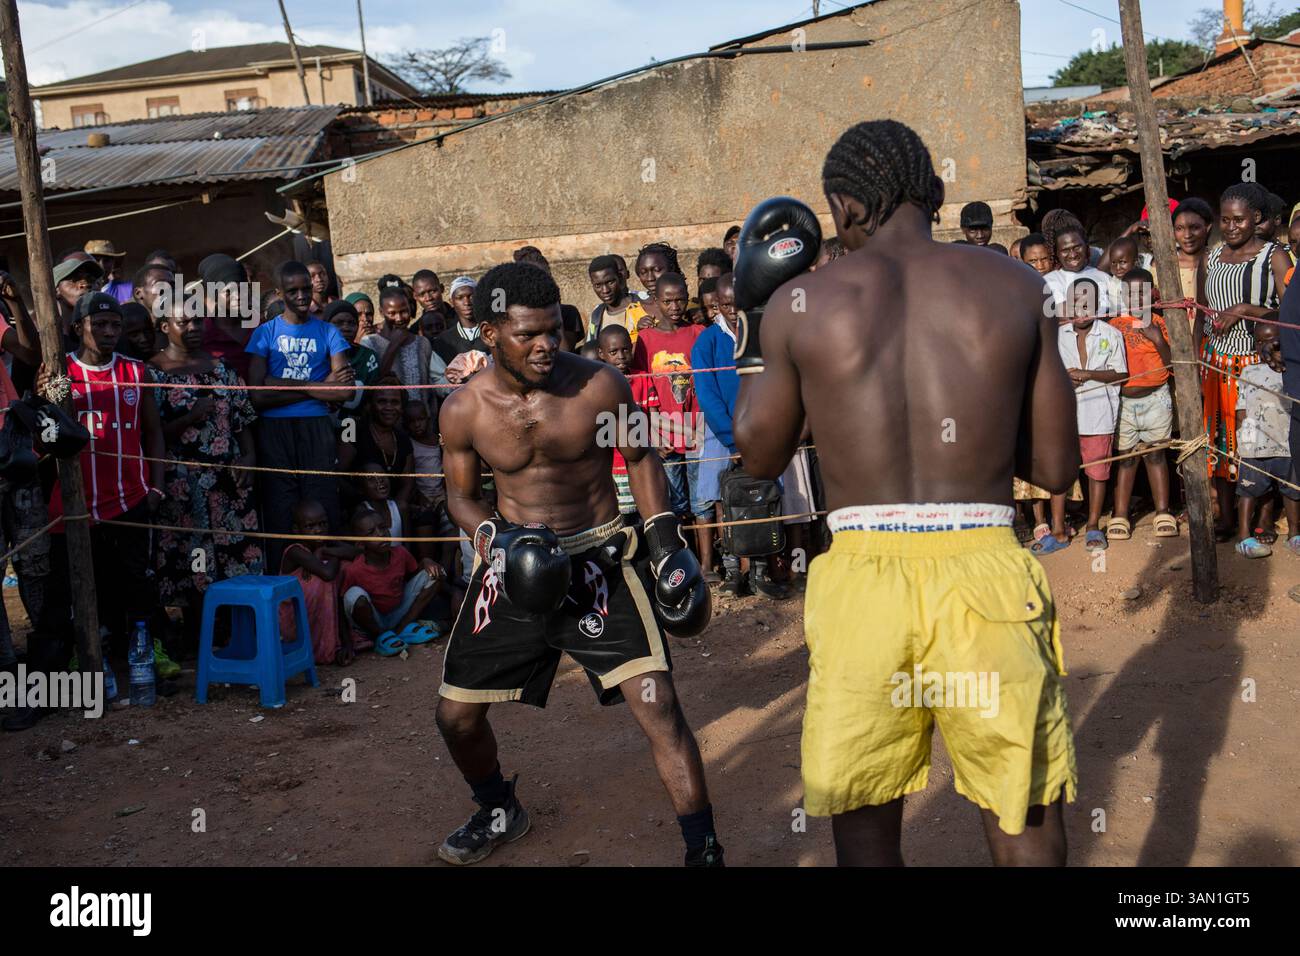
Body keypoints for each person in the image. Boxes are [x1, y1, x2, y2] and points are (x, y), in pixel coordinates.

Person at [732, 120, 1080, 866]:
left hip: (863, 579)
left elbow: (757, 455)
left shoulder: (802, 304)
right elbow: (1055, 469)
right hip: (985, 567)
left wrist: (754, 316)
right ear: (939, 193)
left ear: (843, 206)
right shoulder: (1019, 285)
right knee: (1022, 804)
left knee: (862, 813)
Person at [436, 261, 720, 867]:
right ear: (490, 334)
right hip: (515, 563)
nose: (545, 347)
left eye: (552, 333)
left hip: (599, 559)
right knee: (456, 717)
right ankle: (497, 809)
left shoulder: (598, 386)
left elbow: (640, 457)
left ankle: (704, 850)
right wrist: (496, 539)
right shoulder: (464, 409)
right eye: (527, 336)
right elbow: (460, 496)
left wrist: (666, 542)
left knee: (658, 704)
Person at [9, 292, 170, 731]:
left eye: (115, 324)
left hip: (129, 499)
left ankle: (147, 663)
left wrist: (154, 486)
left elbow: (153, 433)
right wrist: (48, 400)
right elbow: (44, 443)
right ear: (79, 326)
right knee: (63, 601)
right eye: (100, 324)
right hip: (75, 508)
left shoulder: (137, 372)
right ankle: (45, 687)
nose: (110, 332)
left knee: (137, 587)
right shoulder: (61, 374)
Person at [147, 307, 262, 627]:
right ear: (164, 326)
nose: (194, 327)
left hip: (229, 484)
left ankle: (235, 633)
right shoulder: (153, 374)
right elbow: (151, 434)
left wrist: (250, 458)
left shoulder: (222, 369)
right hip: (183, 487)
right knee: (193, 563)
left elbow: (244, 421)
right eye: (184, 322)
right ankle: (199, 636)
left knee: (234, 560)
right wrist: (190, 416)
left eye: (198, 320)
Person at [245, 260, 354, 572]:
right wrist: (317, 387)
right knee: (281, 506)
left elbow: (345, 391)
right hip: (274, 431)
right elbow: (257, 394)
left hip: (316, 428)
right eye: (293, 290)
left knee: (322, 500)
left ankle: (329, 580)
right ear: (280, 293)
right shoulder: (264, 333)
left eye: (306, 288)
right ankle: (286, 579)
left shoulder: (329, 331)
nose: (302, 295)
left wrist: (278, 384)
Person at [1202, 183, 1291, 539]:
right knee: (1222, 443)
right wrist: (1196, 360)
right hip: (1215, 364)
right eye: (1225, 220)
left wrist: (1246, 310)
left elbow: (1289, 313)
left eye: (1239, 219)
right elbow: (1201, 315)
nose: (1231, 227)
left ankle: (1263, 520)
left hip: (1258, 366)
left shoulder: (1274, 256)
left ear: (1256, 218)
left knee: (1259, 443)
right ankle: (1225, 517)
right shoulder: (1212, 257)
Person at [1049, 277, 1126, 553]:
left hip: (1099, 414)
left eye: (1088, 305)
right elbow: (1048, 371)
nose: (1081, 311)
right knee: (1059, 473)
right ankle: (1057, 527)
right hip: (1064, 416)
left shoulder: (1110, 334)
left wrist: (1089, 374)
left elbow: (1121, 374)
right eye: (1075, 304)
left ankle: (1093, 525)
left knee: (1097, 472)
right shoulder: (1057, 335)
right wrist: (1064, 378)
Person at [1107, 268, 1177, 541]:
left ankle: (1163, 511)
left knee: (1156, 455)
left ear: (1152, 294)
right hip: (1124, 400)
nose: (1136, 298)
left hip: (1156, 397)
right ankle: (1120, 515)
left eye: (1142, 293)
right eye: (1130, 293)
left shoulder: (1160, 322)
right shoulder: (1114, 325)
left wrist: (1157, 339)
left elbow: (1173, 363)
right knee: (1126, 458)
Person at [632, 272, 704, 519]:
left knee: (702, 502)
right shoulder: (645, 339)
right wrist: (651, 434)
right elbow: (640, 390)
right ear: (656, 300)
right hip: (665, 434)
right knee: (675, 503)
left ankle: (707, 557)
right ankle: (683, 556)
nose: (675, 307)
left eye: (680, 300)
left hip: (698, 429)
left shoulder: (698, 333)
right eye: (667, 301)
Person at [340, 509, 446, 656]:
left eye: (383, 527)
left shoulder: (401, 553)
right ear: (360, 543)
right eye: (371, 533)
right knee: (353, 595)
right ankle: (381, 636)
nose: (380, 534)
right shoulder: (355, 570)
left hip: (399, 613)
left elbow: (415, 579)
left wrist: (425, 562)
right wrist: (346, 643)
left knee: (436, 574)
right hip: (374, 621)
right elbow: (343, 605)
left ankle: (402, 629)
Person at [1233, 323, 1299, 558]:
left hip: (1286, 444)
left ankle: (1294, 534)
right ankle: (1243, 536)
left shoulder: (1291, 370)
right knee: (1248, 492)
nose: (1264, 346)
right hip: (1254, 447)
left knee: (1291, 492)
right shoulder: (1249, 372)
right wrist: (1243, 442)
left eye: (1271, 340)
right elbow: (1242, 409)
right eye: (1259, 342)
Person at [279, 500, 357, 665]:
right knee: (329, 578)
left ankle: (338, 641)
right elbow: (328, 574)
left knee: (347, 568)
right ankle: (318, 647)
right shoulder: (295, 551)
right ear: (296, 530)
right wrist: (333, 554)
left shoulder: (324, 543)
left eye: (322, 524)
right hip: (294, 624)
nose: (318, 530)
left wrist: (324, 551)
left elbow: (356, 552)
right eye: (310, 526)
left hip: (318, 618)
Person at [596, 324, 659, 519]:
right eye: (613, 352)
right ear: (601, 353)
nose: (621, 356)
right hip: (614, 466)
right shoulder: (598, 385)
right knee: (623, 517)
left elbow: (654, 416)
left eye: (625, 349)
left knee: (649, 512)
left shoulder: (643, 378)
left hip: (644, 459)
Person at [362, 286, 433, 408]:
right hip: (387, 420)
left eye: (403, 311)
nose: (399, 318)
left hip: (420, 422)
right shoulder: (369, 343)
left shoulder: (422, 343)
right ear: (381, 312)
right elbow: (374, 384)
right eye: (392, 313)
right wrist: (394, 345)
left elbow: (430, 383)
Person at [197, 254, 255, 383]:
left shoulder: (259, 328)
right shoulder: (202, 333)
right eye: (229, 292)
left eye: (243, 289)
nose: (238, 296)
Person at [513, 247, 584, 350]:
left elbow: (564, 352)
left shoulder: (567, 313)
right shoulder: (516, 315)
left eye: (546, 278)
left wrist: (555, 304)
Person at [429, 276, 490, 389]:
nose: (466, 302)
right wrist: (459, 380)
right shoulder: (443, 341)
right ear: (452, 302)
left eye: (471, 297)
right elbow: (437, 384)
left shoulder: (493, 333)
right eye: (460, 298)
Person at [1044, 223, 1111, 317]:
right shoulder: (1048, 281)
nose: (1073, 255)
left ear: (1086, 247)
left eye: (1077, 247)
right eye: (1065, 250)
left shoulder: (1103, 276)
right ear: (1056, 253)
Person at [324, 299, 380, 412]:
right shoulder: (316, 355)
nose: (346, 328)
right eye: (338, 323)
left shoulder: (368, 357)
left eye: (352, 323)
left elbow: (372, 399)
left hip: (355, 425)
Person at [586, 254, 649, 345]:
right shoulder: (597, 314)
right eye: (598, 285)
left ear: (620, 277)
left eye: (610, 282)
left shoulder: (643, 305)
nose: (605, 290)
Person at [413, 269, 454, 337]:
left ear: (442, 288)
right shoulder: (415, 331)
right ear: (415, 296)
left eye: (432, 291)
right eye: (422, 294)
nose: (429, 298)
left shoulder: (461, 318)